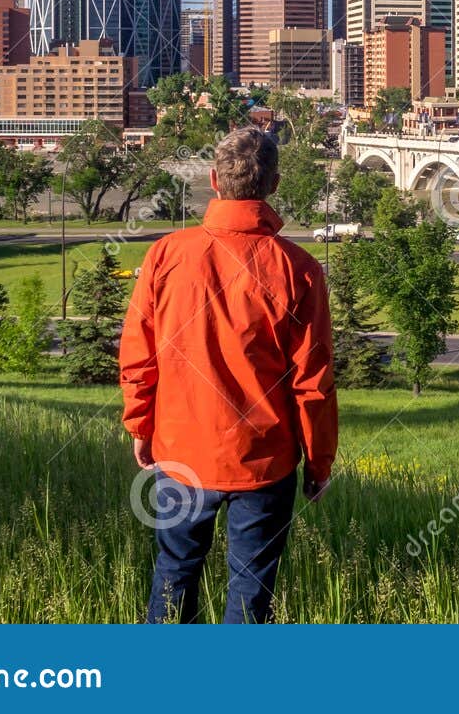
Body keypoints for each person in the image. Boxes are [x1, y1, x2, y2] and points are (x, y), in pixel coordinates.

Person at [120, 127, 338, 624]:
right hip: (264, 463)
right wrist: (319, 462)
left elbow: (139, 355)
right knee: (250, 592)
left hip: (182, 451)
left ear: (215, 180)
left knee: (173, 578)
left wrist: (141, 425)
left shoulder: (166, 255)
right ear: (275, 184)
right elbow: (313, 382)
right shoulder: (300, 269)